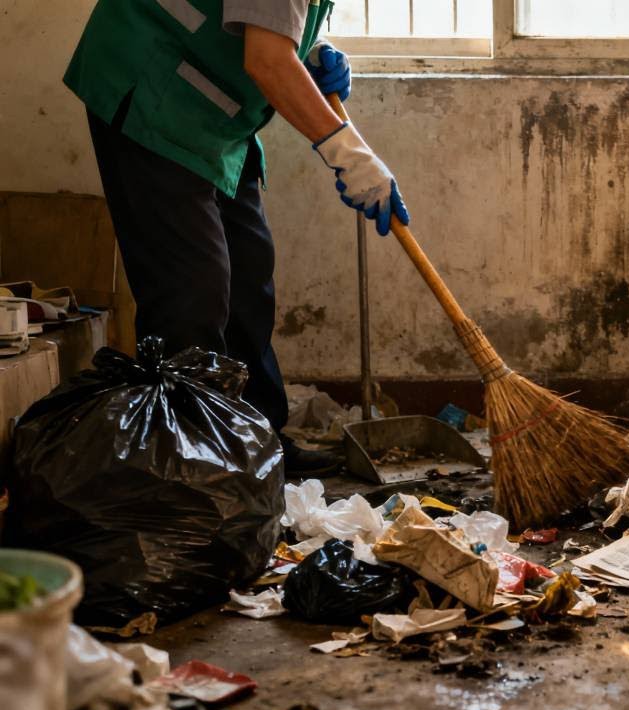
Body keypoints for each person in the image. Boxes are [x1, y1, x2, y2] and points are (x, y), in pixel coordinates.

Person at [64, 1, 411, 475]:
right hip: (151, 84)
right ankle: (191, 468)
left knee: (250, 274)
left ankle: (257, 445)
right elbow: (266, 60)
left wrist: (308, 46)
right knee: (192, 291)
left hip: (211, 109)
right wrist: (351, 156)